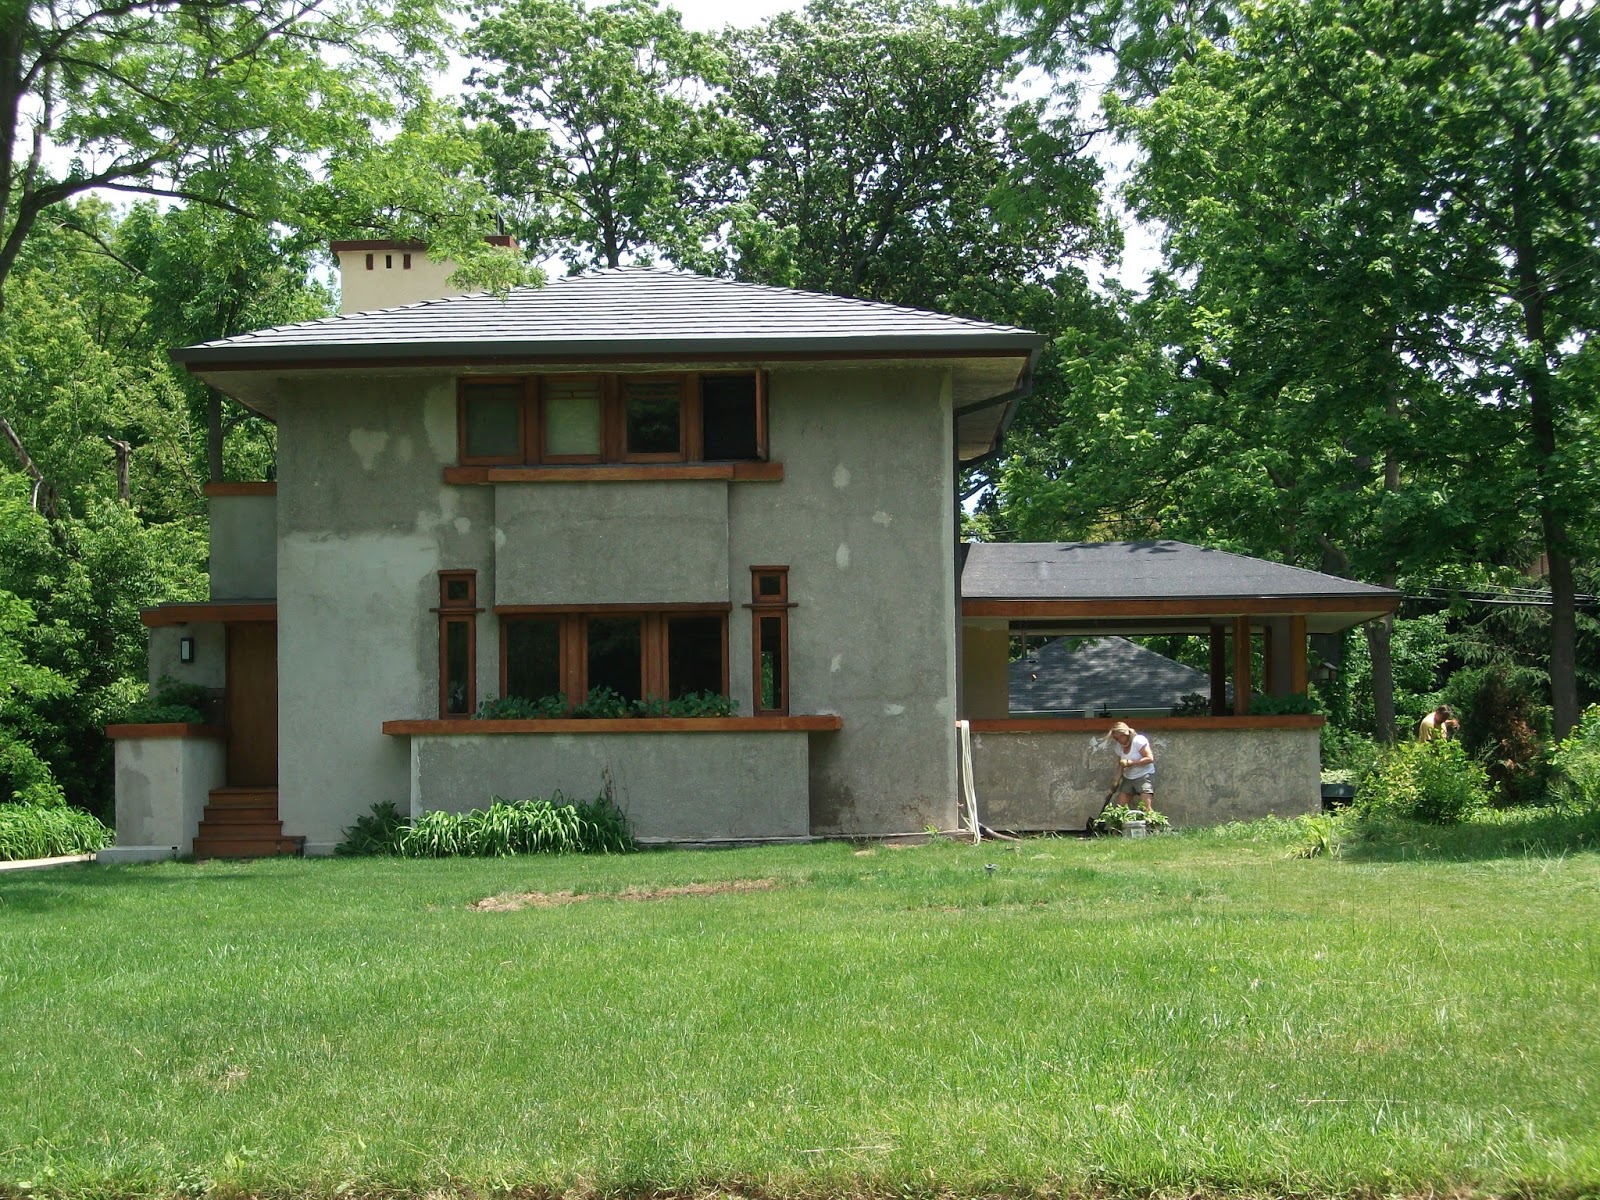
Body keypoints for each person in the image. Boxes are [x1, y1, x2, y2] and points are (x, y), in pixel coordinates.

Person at [1108, 721, 1156, 812]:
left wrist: (1131, 762)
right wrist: (1116, 780)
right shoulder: (1119, 746)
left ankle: (1151, 825)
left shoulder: (1138, 740)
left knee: (1146, 808)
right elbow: (1121, 764)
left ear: (1125, 734)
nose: (1117, 740)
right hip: (1128, 777)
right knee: (1120, 809)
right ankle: (1122, 825)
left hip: (1144, 775)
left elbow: (1150, 758)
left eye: (1118, 738)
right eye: (1115, 738)